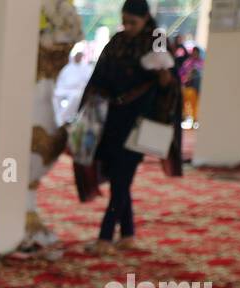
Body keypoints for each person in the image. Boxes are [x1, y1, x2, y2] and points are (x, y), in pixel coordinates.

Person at [78, 0, 182, 253]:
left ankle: (105, 237)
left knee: (123, 176)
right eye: (124, 21)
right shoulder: (117, 40)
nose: (127, 26)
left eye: (132, 22)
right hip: (113, 118)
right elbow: (99, 76)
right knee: (117, 176)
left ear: (146, 18)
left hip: (142, 119)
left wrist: (164, 75)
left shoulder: (157, 39)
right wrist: (87, 105)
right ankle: (127, 233)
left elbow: (170, 83)